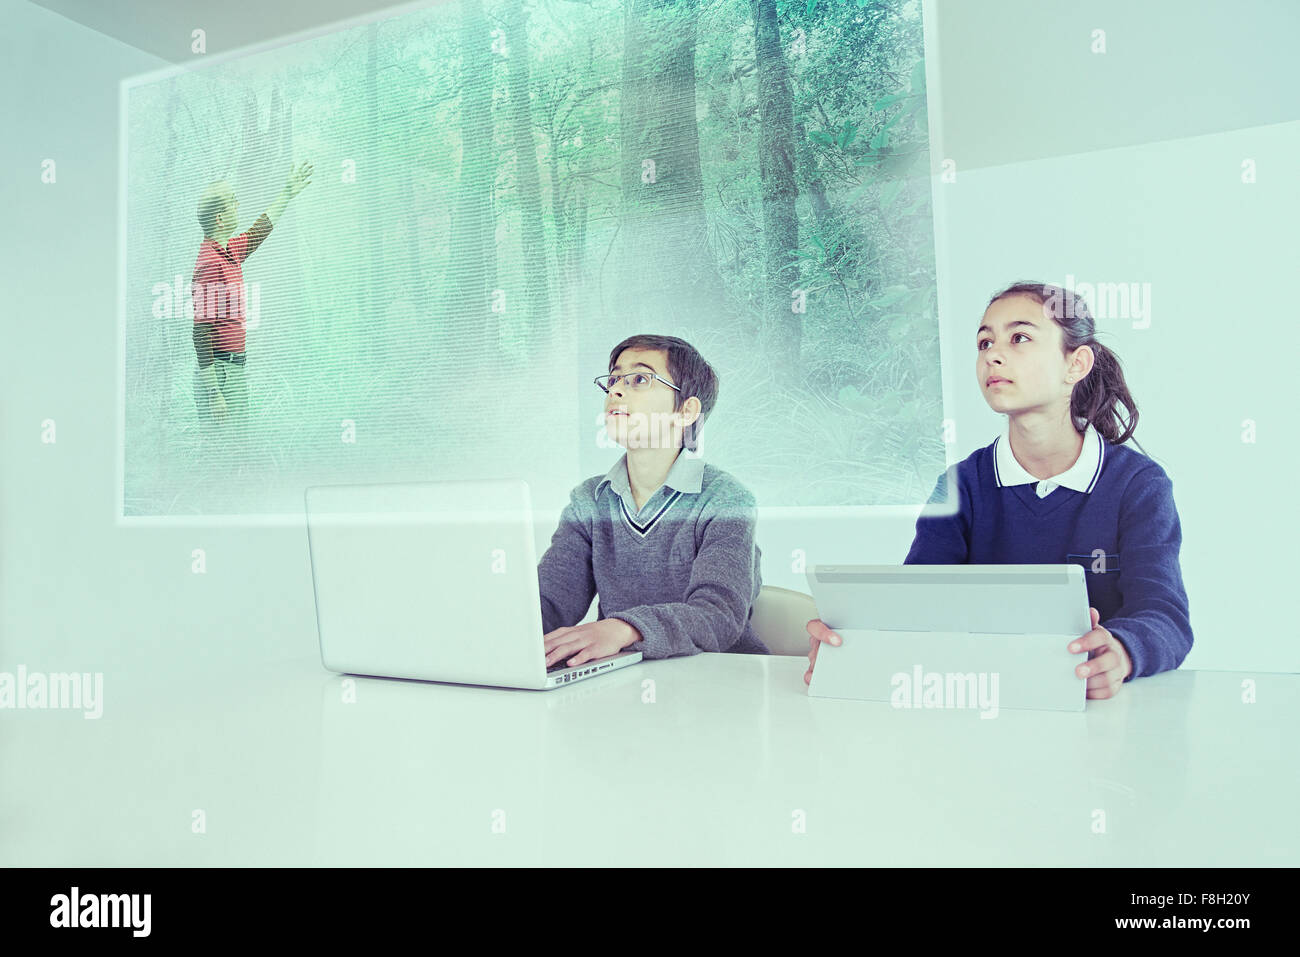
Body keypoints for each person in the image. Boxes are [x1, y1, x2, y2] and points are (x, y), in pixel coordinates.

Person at [805, 281, 1193, 699]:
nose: (993, 353)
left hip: (1095, 714)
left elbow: (1164, 615)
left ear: (1076, 364)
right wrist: (855, 642)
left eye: (1020, 337)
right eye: (984, 342)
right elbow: (918, 607)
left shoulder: (1138, 485)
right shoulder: (960, 486)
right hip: (983, 709)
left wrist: (1122, 651)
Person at [538, 334, 767, 667]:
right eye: (614, 379)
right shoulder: (589, 501)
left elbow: (718, 616)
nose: (615, 390)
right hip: (624, 683)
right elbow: (549, 604)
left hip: (720, 683)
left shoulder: (725, 499)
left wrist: (625, 628)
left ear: (687, 410)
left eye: (640, 379)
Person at [191, 162, 312, 422]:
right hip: (220, 375)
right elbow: (201, 334)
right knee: (222, 452)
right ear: (219, 218)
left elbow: (259, 231)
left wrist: (287, 193)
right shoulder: (210, 264)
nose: (238, 205)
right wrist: (214, 393)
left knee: (237, 450)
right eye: (233, 201)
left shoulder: (229, 250)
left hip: (233, 370)